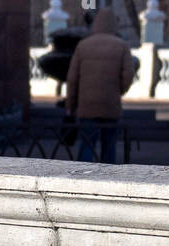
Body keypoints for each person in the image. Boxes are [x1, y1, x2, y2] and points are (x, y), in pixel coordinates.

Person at [65, 7, 135, 164]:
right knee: (109, 146)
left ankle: (82, 179)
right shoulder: (122, 46)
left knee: (87, 146)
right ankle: (107, 180)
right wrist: (117, 91)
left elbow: (72, 80)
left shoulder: (83, 46)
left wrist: (70, 105)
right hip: (111, 105)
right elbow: (128, 76)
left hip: (87, 107)